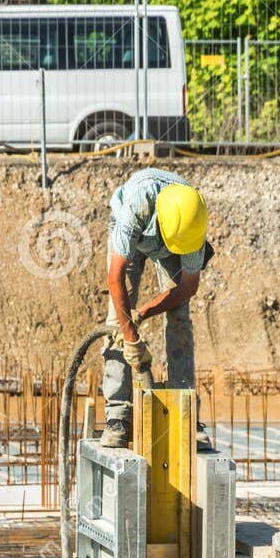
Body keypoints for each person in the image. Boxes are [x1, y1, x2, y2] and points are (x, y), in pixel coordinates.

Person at [102, 167, 210, 449]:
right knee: (117, 319)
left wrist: (144, 312)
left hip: (173, 238)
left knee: (180, 319)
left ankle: (186, 410)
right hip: (136, 231)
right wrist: (130, 336)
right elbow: (115, 278)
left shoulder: (192, 224)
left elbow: (187, 288)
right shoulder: (137, 207)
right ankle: (118, 414)